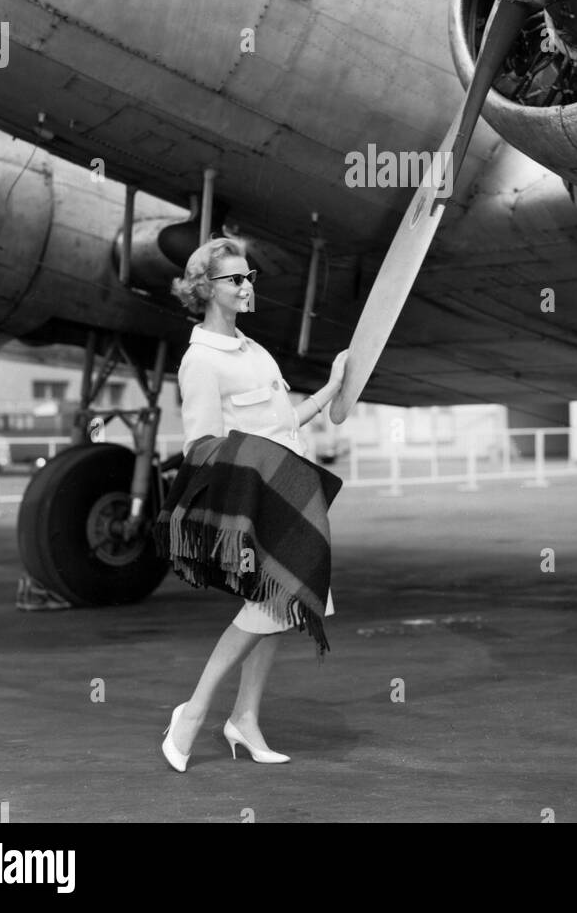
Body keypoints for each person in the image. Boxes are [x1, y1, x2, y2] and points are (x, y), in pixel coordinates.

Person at [156, 236, 348, 771]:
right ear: (206, 288)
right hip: (253, 501)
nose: (247, 287)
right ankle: (194, 711)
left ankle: (244, 718)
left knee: (278, 607)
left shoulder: (255, 351)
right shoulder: (200, 361)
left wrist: (331, 389)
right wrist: (261, 461)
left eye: (250, 277)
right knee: (269, 606)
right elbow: (201, 447)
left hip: (289, 496)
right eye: (236, 279)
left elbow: (282, 426)